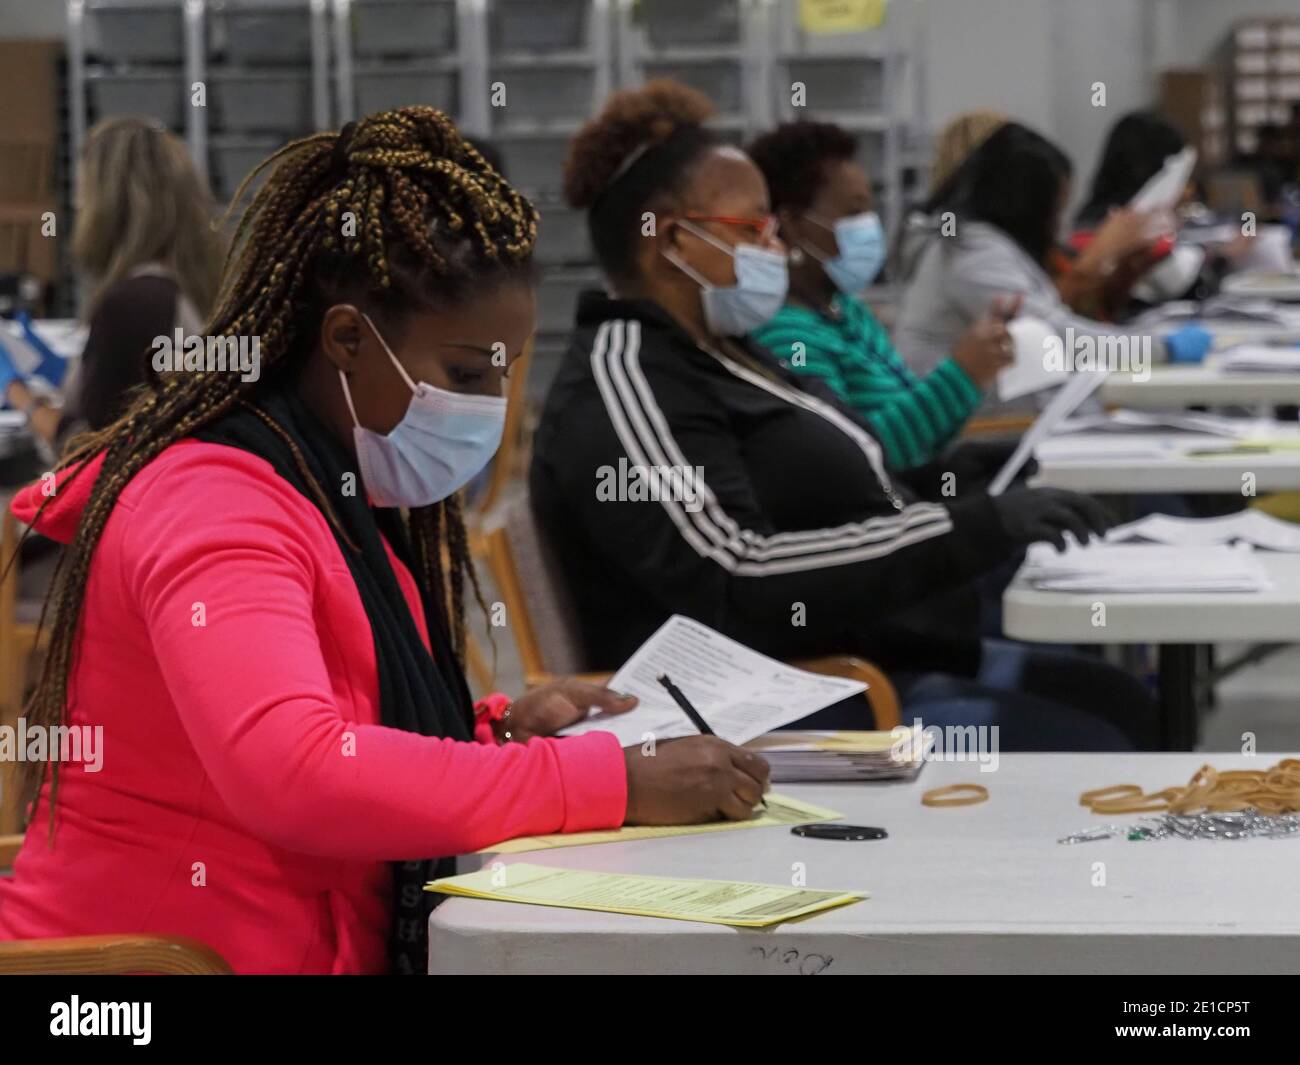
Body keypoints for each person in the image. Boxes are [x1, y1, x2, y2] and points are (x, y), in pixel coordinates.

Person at [0, 106, 771, 975]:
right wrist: (609, 783)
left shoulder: (328, 490)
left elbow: (343, 724)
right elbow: (296, 770)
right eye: (466, 373)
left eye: (501, 375)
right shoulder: (212, 501)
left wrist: (493, 733)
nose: (488, 406)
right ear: (345, 340)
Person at [530, 81, 1158, 752]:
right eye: (753, 228)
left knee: (1118, 698)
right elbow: (736, 572)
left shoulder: (725, 351)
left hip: (867, 656)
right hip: (766, 707)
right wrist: (968, 527)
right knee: (1097, 731)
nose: (775, 247)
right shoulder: (628, 378)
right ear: (667, 239)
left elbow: (831, 488)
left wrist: (958, 478)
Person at [747, 120, 1015, 471]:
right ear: (794, 224)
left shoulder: (846, 310)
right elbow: (854, 459)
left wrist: (972, 376)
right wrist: (962, 373)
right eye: (854, 212)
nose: (869, 226)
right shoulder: (786, 336)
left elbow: (915, 432)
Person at [894, 121, 1153, 413]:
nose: (1058, 226)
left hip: (994, 410)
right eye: (1055, 210)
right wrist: (1157, 349)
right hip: (969, 426)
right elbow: (1053, 337)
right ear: (1026, 204)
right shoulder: (971, 255)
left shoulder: (989, 246)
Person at [2, 117, 226, 447]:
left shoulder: (135, 302)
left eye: (83, 199)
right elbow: (128, 391)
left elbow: (86, 449)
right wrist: (70, 373)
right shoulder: (187, 287)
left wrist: (16, 391)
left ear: (109, 207)